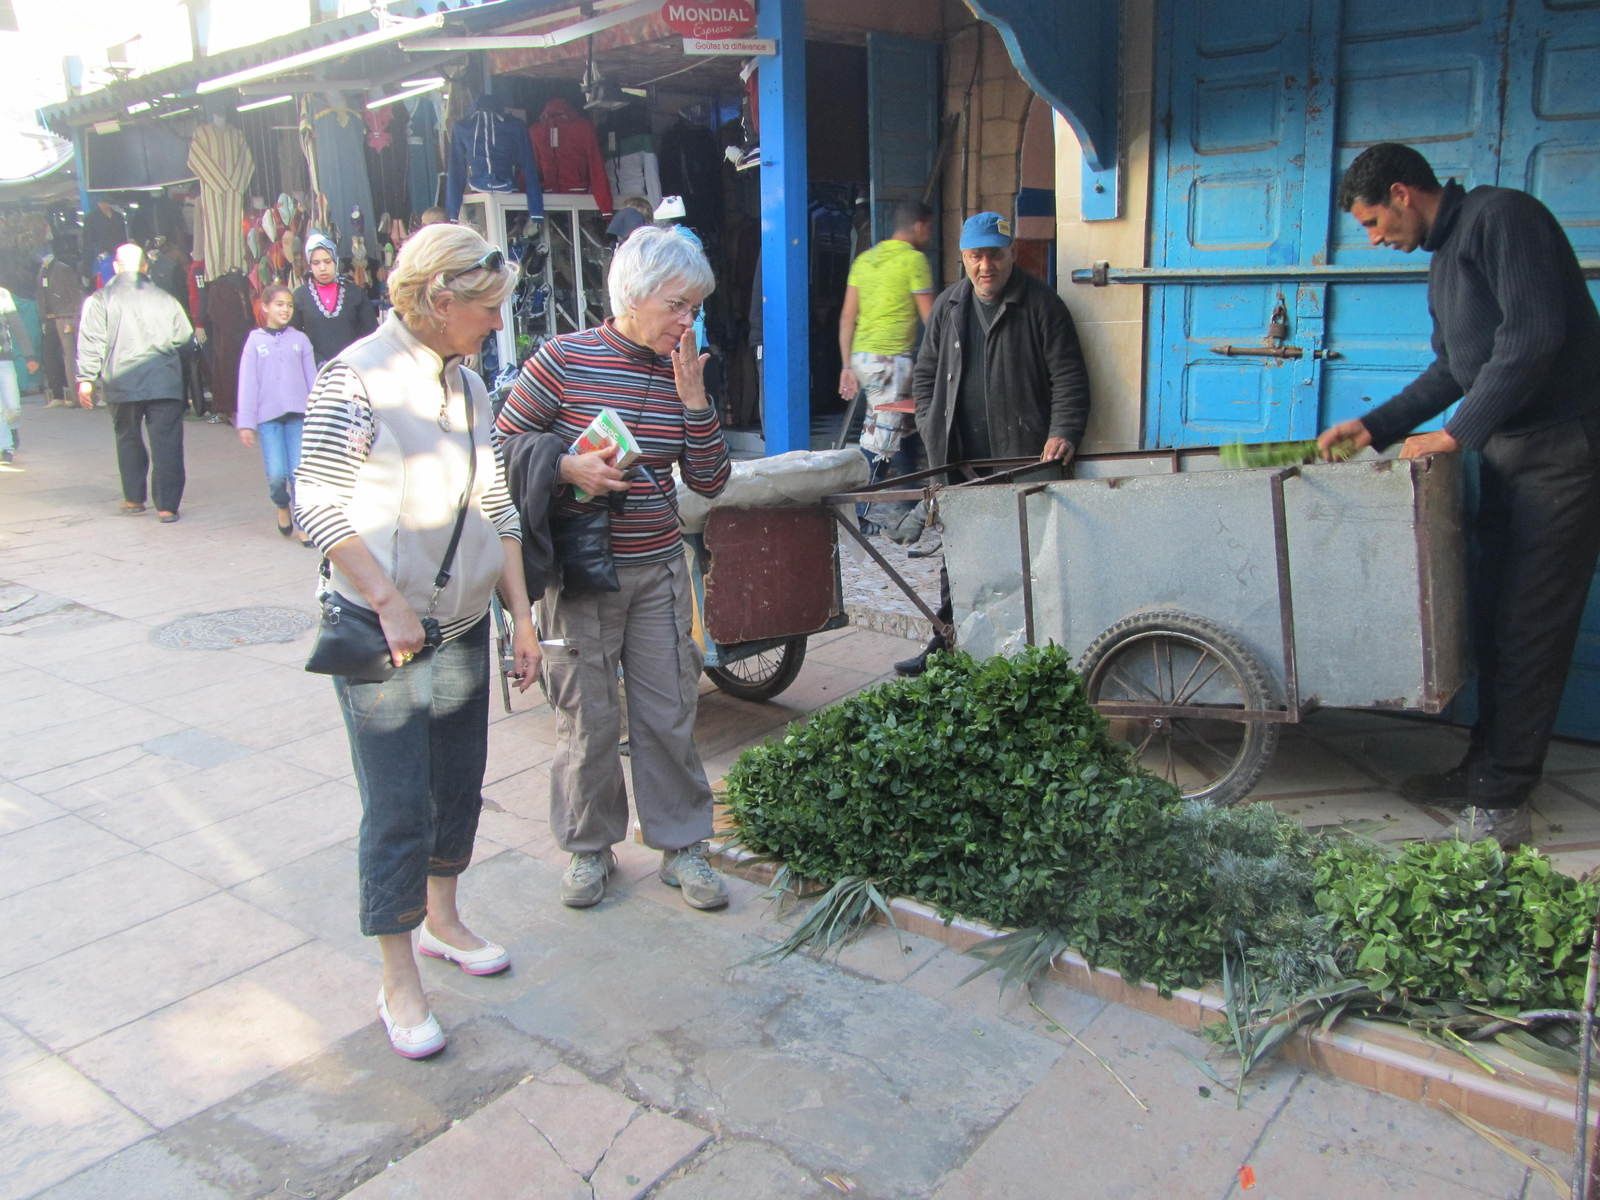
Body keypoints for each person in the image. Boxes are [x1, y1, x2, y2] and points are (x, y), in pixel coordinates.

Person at [293, 223, 540, 1060]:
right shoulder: (354, 379)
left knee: (458, 787)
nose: (497, 322)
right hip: (385, 634)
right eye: (486, 307)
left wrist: (524, 619)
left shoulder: (468, 383)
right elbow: (315, 505)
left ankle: (442, 920)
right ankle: (398, 977)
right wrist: (387, 602)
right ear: (439, 300)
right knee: (398, 804)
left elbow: (498, 505)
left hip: (465, 625)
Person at [1316, 143, 1600, 849]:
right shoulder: (1445, 262)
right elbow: (1455, 367)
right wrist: (1376, 425)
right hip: (1509, 456)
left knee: (1531, 626)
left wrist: (1455, 436)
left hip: (1563, 454)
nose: (1377, 240)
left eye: (1376, 222)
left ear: (1405, 193)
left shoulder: (1505, 219)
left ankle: (1505, 799)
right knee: (1494, 618)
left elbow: (1534, 338)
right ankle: (1483, 769)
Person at [496, 226, 733, 913]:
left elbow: (712, 480)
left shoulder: (682, 368)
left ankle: (684, 844)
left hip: (658, 569)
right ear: (633, 297)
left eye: (695, 307)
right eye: (677, 305)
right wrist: (568, 465)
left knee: (669, 711)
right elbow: (501, 443)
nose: (688, 321)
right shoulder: (561, 360)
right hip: (578, 576)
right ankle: (587, 849)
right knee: (588, 719)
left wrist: (695, 401)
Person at [897, 211, 1092, 676]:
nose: (986, 266)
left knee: (1029, 561)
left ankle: (1030, 656)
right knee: (956, 557)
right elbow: (925, 375)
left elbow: (1069, 377)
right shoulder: (948, 306)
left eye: (995, 255)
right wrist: (931, 425)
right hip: (961, 460)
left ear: (1012, 254)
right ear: (964, 258)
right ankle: (946, 646)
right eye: (976, 256)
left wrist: (1062, 430)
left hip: (1022, 459)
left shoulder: (1043, 306)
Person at [76, 244, 193, 521]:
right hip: (164, 382)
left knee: (128, 438)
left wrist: (86, 379)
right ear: (144, 267)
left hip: (121, 381)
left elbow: (92, 340)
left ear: (116, 267)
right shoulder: (166, 299)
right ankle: (167, 506)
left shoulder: (101, 299)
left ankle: (133, 498)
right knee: (167, 443)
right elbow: (185, 341)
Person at [838, 199, 936, 532]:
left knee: (905, 432)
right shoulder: (914, 261)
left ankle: (910, 508)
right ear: (920, 226)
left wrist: (846, 365)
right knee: (880, 440)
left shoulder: (865, 260)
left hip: (864, 358)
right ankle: (857, 512)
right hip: (891, 362)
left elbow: (847, 317)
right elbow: (931, 319)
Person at [237, 285, 317, 543]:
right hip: (268, 417)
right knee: (276, 474)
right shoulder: (255, 341)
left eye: (289, 305)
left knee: (298, 472)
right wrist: (246, 423)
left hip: (298, 415)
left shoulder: (300, 340)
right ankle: (282, 506)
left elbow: (312, 379)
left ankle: (303, 524)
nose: (285, 309)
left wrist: (317, 412)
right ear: (265, 307)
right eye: (279, 304)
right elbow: (248, 383)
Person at [292, 233, 378, 366]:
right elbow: (294, 339)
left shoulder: (354, 293)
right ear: (310, 265)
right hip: (315, 373)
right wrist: (316, 360)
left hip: (352, 369)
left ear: (335, 261)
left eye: (327, 261)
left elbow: (371, 333)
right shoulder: (300, 297)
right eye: (316, 263)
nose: (322, 268)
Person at [37, 247, 82, 408]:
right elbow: (41, 295)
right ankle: (57, 394)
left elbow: (75, 293)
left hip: (64, 317)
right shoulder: (42, 270)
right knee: (50, 356)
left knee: (69, 356)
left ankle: (76, 395)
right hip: (50, 319)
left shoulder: (63, 269)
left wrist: (73, 315)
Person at [0, 285, 37, 467]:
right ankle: (6, 446)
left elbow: (17, 326)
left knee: (13, 406)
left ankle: (13, 428)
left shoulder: (3, 295)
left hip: (4, 358)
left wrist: (29, 355)